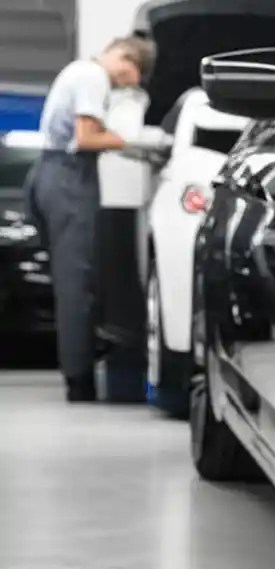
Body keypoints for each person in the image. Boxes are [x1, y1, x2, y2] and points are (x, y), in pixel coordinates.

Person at [26, 36, 170, 402]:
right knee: (77, 284)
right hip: (69, 177)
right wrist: (140, 142)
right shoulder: (93, 76)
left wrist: (130, 149)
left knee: (75, 280)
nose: (129, 85)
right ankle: (80, 383)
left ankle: (80, 369)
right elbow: (87, 138)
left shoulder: (79, 72)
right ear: (127, 61)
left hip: (55, 173)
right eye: (134, 77)